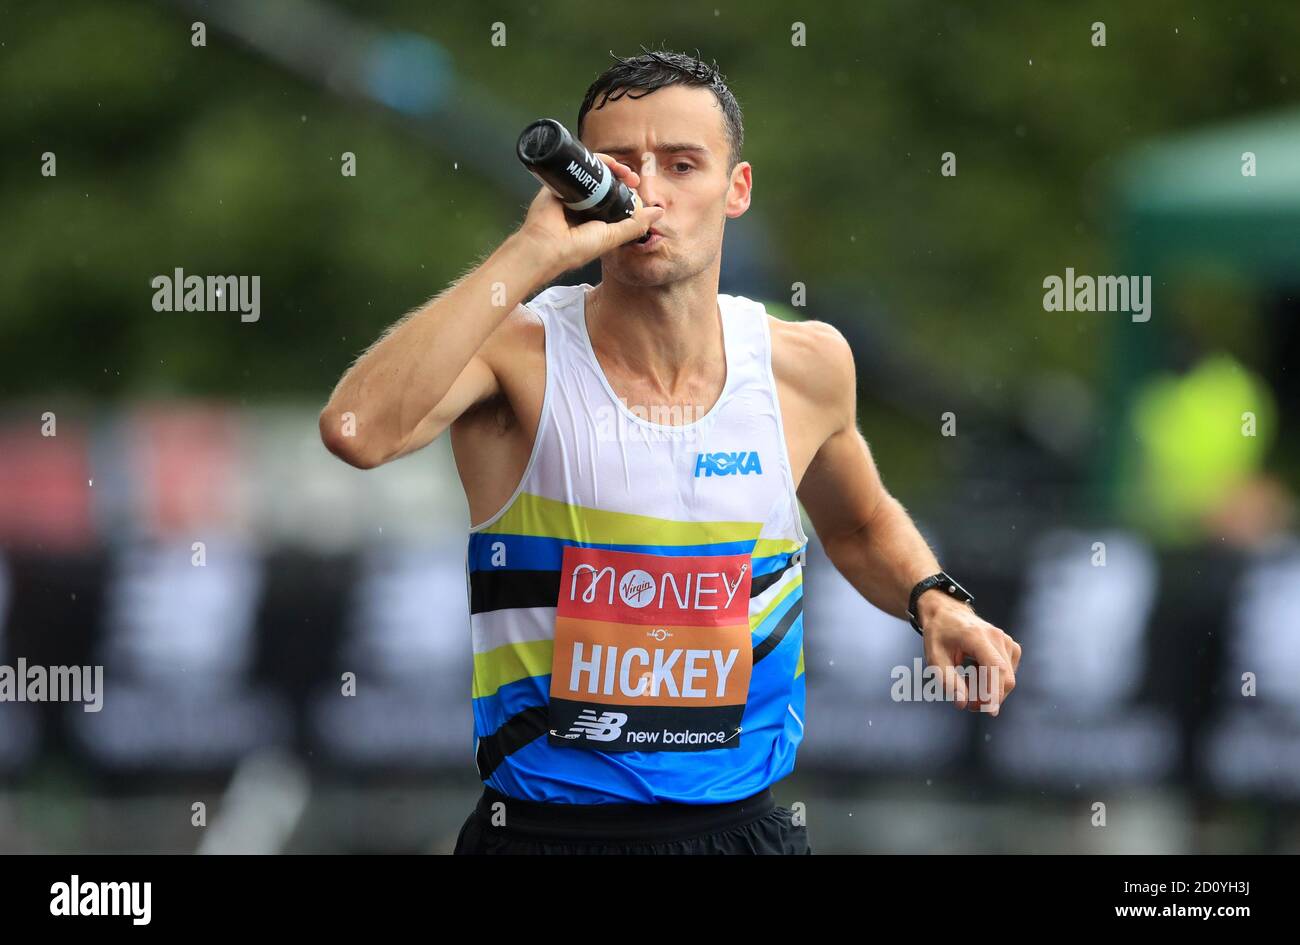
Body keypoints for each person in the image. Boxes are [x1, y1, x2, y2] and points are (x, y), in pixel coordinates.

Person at [319, 48, 1021, 855]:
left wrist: (933, 598)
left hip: (738, 830)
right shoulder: (515, 353)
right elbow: (354, 433)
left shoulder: (804, 364)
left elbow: (858, 525)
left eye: (682, 164)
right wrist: (532, 254)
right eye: (619, 165)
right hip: (546, 835)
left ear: (736, 189)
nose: (647, 189)